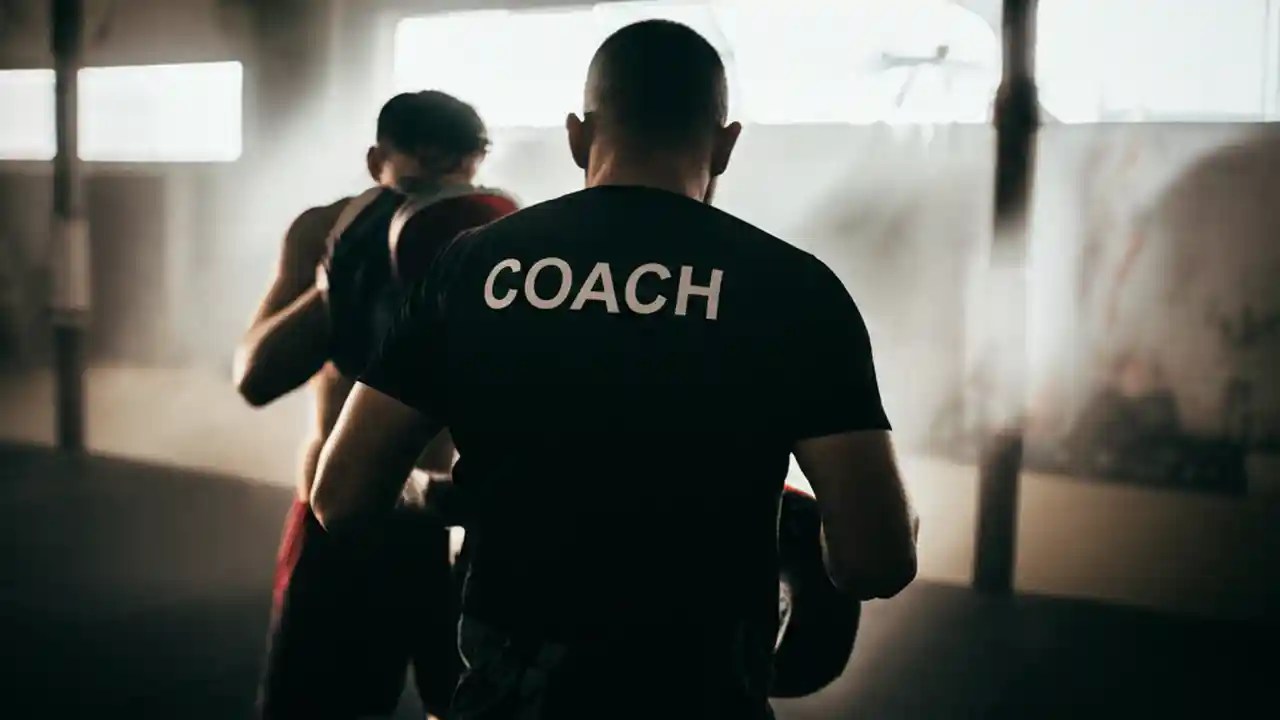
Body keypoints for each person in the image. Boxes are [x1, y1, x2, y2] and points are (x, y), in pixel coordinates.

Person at [312, 20, 918, 720]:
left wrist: (446, 496)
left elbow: (342, 499)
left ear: (577, 134)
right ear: (725, 145)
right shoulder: (796, 288)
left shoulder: (473, 265)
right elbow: (876, 559)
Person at [233, 91, 518, 719]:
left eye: (454, 176)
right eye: (415, 176)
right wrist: (335, 287)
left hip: (459, 524)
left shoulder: (495, 241)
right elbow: (253, 377)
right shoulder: (325, 231)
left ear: (474, 168)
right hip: (345, 519)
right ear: (375, 161)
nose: (431, 194)